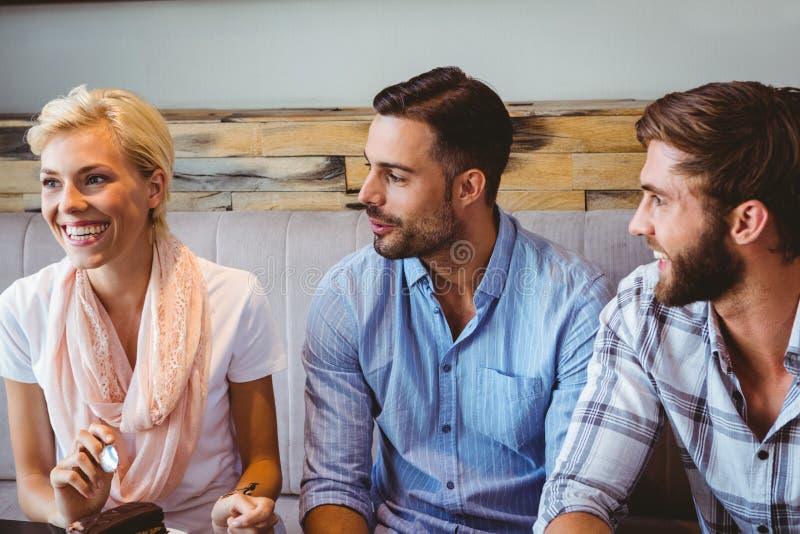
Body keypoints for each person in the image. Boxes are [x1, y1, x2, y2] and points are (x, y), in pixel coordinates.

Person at [299, 66, 612, 533]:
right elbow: (334, 486)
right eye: (370, 167)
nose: (366, 193)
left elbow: (577, 496)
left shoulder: (575, 303)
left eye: (396, 177)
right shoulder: (346, 298)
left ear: (468, 186)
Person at [0, 86, 287, 534]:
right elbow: (33, 478)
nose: (68, 204)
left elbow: (264, 462)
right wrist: (65, 511)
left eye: (94, 178)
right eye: (52, 182)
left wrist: (239, 504)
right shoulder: (22, 307)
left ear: (154, 187)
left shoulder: (234, 297)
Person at [535, 82, 800, 534]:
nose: (638, 224)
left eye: (659, 199)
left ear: (745, 222)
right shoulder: (645, 309)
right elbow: (580, 492)